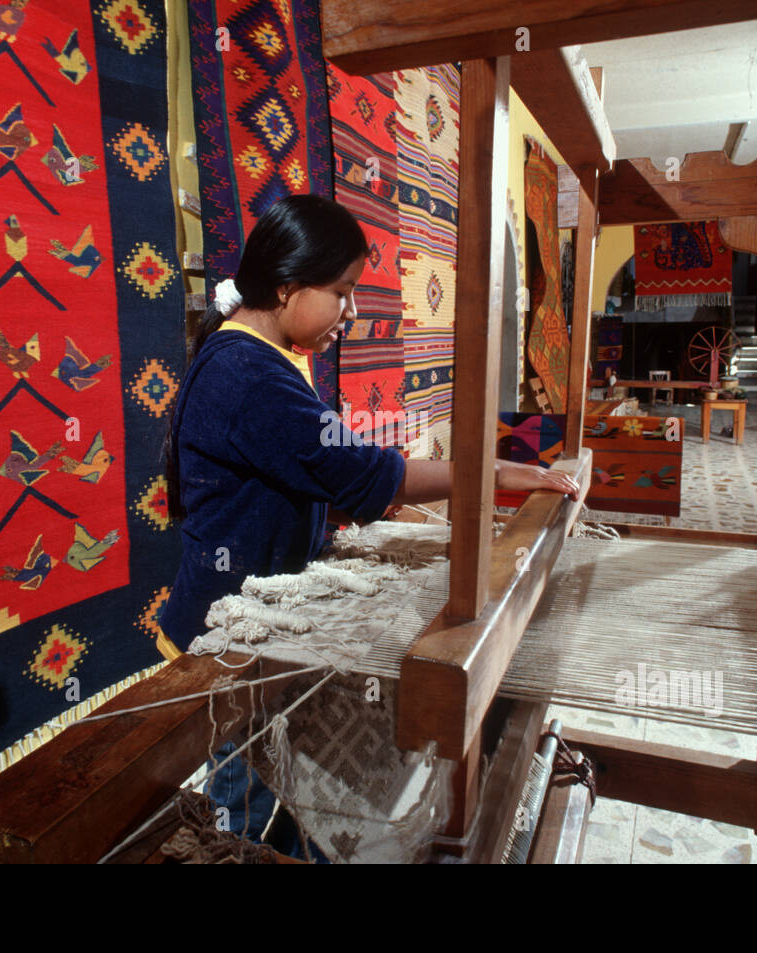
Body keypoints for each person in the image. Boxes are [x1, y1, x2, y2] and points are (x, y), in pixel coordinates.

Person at [157, 194, 579, 855]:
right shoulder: (250, 372)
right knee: (248, 821)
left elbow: (325, 478)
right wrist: (504, 473)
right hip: (230, 638)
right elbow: (366, 473)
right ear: (288, 284)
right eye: (343, 291)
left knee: (267, 797)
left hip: (244, 616)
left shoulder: (252, 354)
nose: (350, 313)